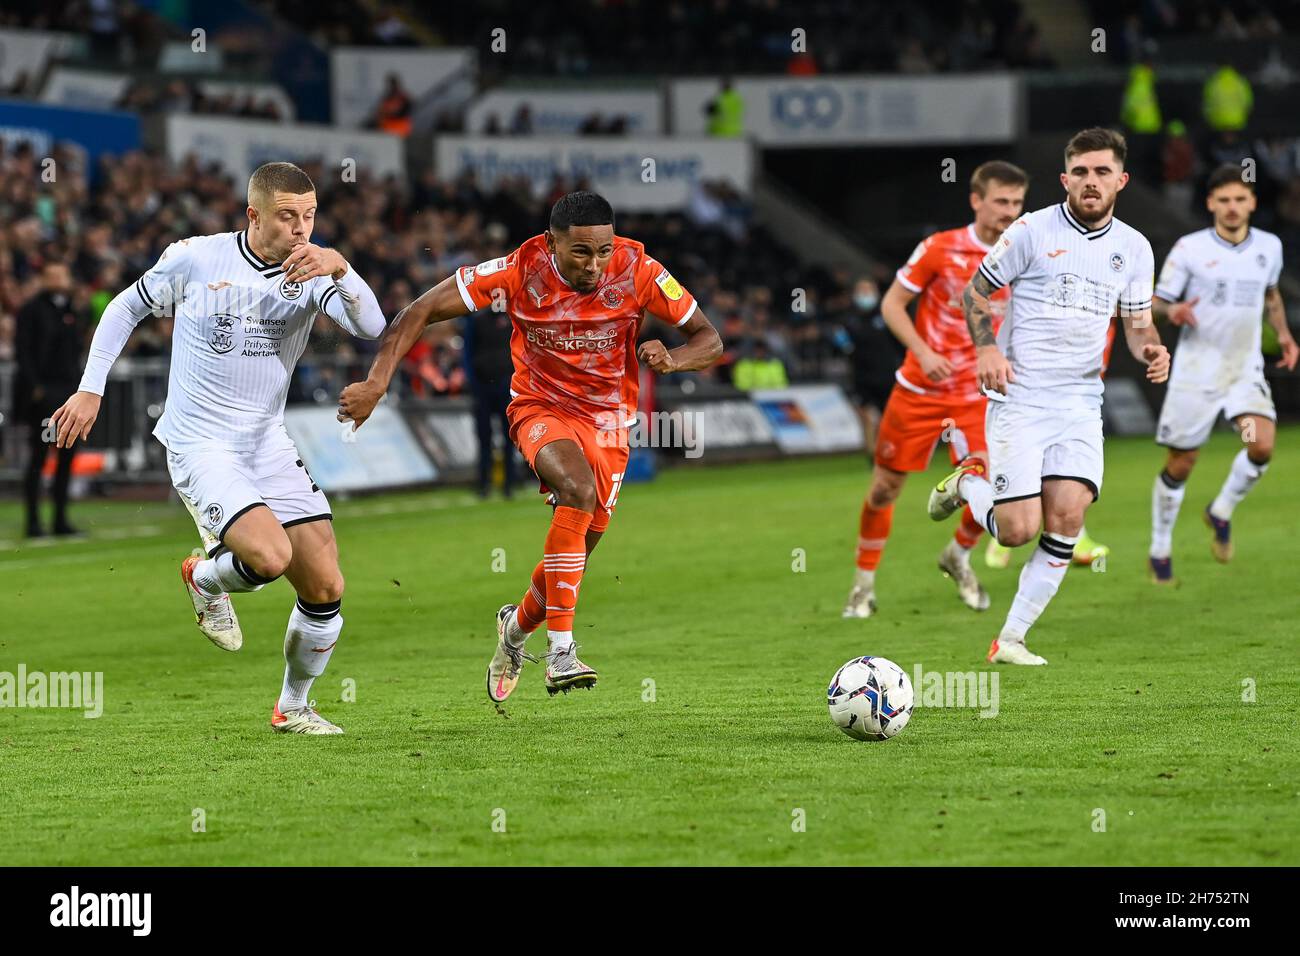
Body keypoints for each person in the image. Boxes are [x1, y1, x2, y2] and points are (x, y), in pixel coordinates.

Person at [338, 191, 722, 701]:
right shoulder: (519, 270)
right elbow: (420, 310)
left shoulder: (641, 270)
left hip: (609, 421)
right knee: (578, 491)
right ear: (551, 243)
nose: (595, 265)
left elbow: (709, 339)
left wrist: (674, 358)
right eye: (580, 252)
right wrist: (377, 383)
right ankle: (561, 651)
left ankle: (515, 630)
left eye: (603, 251)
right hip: (540, 407)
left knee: (579, 547)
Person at [51, 162, 387, 734]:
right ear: (253, 215)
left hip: (267, 441)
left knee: (327, 585)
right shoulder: (196, 258)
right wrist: (91, 387)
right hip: (201, 443)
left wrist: (344, 268)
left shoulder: (313, 271)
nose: (300, 229)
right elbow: (125, 307)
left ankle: (294, 707)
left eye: (309, 216)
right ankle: (205, 578)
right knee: (270, 557)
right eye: (287, 217)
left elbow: (371, 325)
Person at [927, 127, 1170, 665]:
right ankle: (968, 484)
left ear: (1121, 181)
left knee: (1068, 517)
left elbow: (1137, 326)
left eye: (1102, 172)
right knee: (1017, 531)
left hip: (1081, 401)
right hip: (1022, 396)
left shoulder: (1134, 248)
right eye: (1080, 171)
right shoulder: (1031, 231)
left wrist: (1152, 349)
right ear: (1065, 178)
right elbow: (975, 293)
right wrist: (988, 350)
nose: (1091, 181)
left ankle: (1010, 639)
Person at [843, 161, 1028, 621]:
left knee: (993, 487)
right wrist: (923, 352)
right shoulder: (941, 248)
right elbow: (891, 304)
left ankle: (957, 557)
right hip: (920, 390)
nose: (1010, 211)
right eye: (1001, 201)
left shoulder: (1026, 252)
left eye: (1018, 203)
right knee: (885, 489)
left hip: (979, 395)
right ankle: (862, 586)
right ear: (976, 201)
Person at [1148, 164, 1296, 582]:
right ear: (1211, 203)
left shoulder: (1269, 246)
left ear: (1252, 202)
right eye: (1224, 200)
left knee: (1260, 443)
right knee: (1182, 462)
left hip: (1242, 373)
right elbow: (1157, 301)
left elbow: (1270, 295)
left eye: (1240, 199)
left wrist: (1283, 334)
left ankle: (1221, 509)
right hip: (1196, 374)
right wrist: (1172, 310)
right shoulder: (1190, 248)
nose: (1232, 207)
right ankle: (1160, 546)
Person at [15, 261, 87, 538]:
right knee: (39, 456)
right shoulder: (32, 310)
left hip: (68, 394)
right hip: (45, 396)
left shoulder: (69, 309)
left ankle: (60, 520)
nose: (59, 279)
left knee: (67, 457)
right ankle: (33, 521)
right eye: (53, 274)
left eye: (63, 274)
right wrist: (37, 388)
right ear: (44, 279)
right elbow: (24, 351)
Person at [463, 302, 518, 498]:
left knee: (509, 437)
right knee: (484, 438)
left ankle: (509, 484)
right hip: (483, 388)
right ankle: (484, 484)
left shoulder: (513, 320)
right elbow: (467, 354)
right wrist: (474, 384)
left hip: (507, 388)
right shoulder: (476, 321)